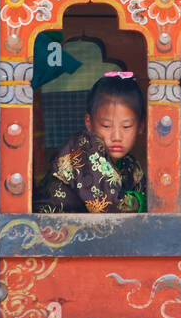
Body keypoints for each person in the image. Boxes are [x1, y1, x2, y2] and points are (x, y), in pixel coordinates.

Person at [35, 72, 147, 213]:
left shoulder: (130, 165)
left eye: (126, 127)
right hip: (47, 229)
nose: (117, 136)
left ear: (141, 126)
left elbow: (147, 196)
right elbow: (109, 206)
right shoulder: (85, 150)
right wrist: (139, 201)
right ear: (89, 122)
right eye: (106, 126)